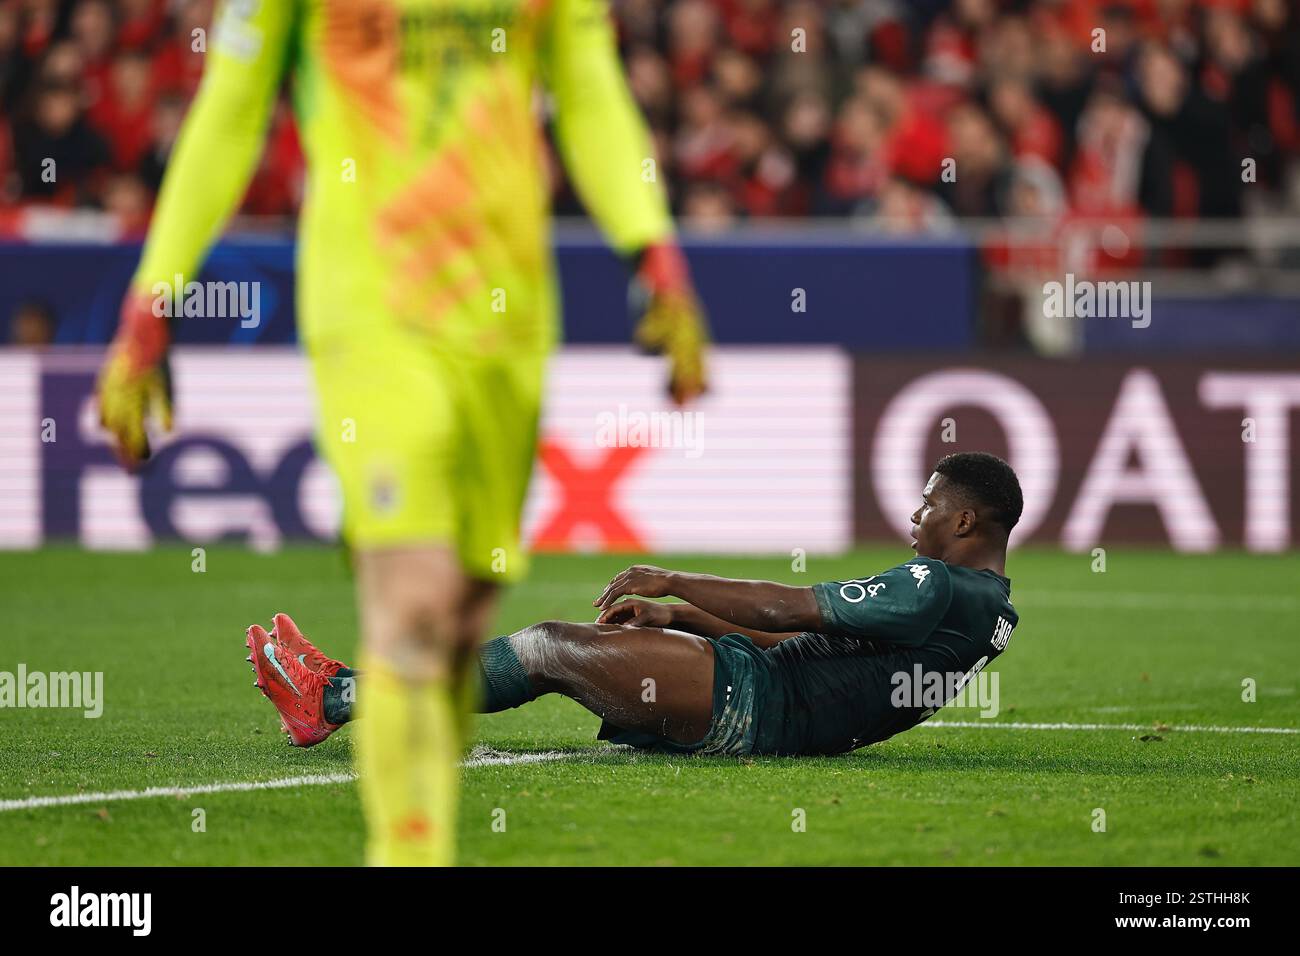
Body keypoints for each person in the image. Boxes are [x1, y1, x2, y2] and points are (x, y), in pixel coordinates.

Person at [97, 0, 709, 867]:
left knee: (460, 623)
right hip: (371, 310)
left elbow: (590, 90)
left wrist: (654, 247)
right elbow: (229, 110)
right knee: (414, 604)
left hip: (509, 322)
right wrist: (152, 300)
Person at [248, 453, 1022, 759]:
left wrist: (674, 580)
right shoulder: (989, 607)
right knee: (564, 647)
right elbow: (807, 640)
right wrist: (686, 619)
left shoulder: (939, 585)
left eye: (927, 507)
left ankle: (335, 695)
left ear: (963, 520)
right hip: (770, 691)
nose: (913, 520)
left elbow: (790, 609)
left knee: (551, 646)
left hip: (761, 702)